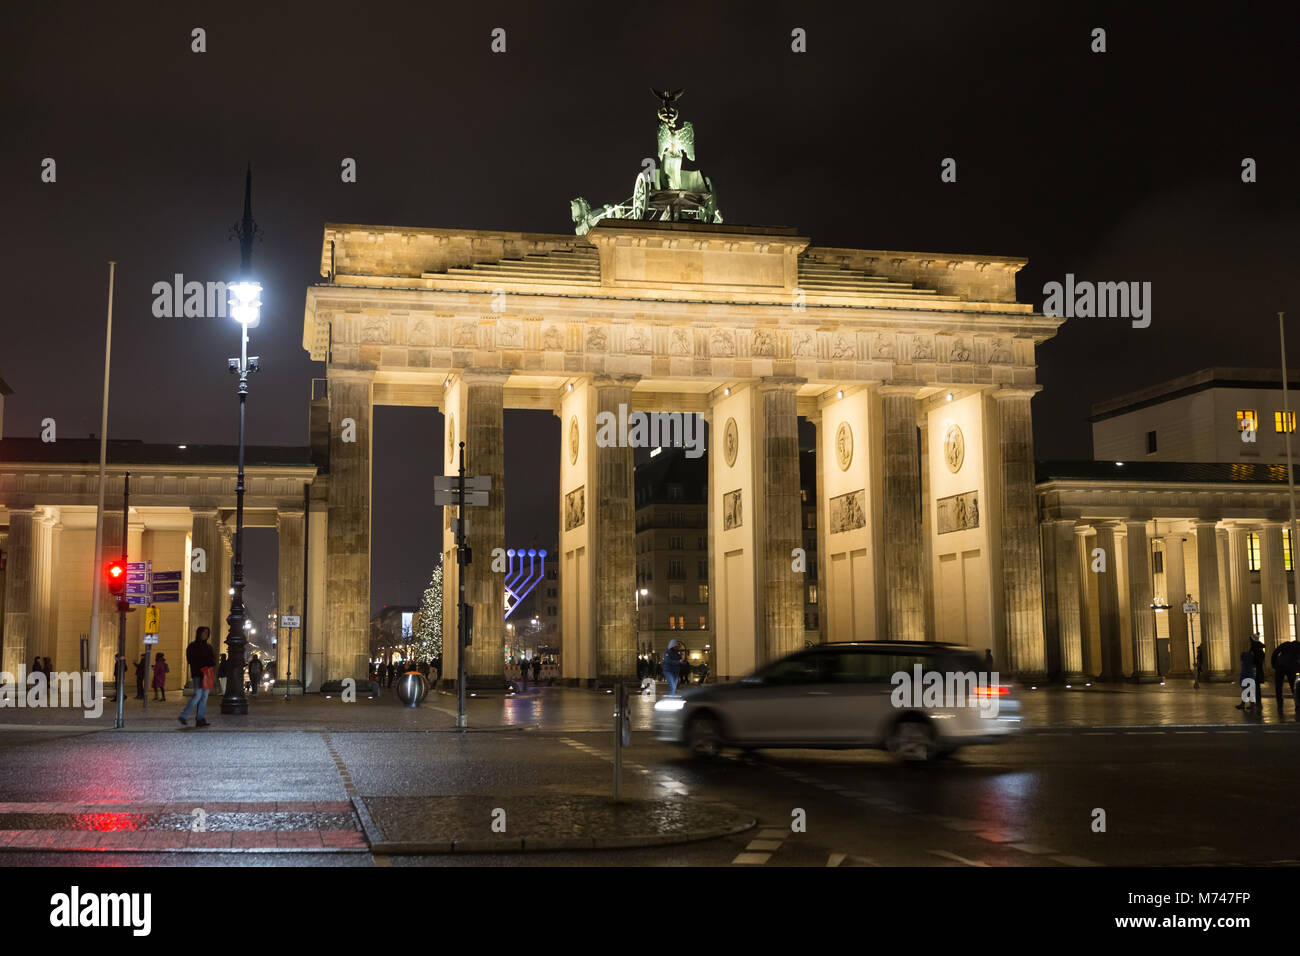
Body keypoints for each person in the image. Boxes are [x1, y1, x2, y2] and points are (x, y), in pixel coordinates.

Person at [179, 626, 217, 727]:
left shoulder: (209, 647)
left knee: (204, 697)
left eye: (207, 633)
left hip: (207, 674)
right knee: (198, 695)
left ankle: (200, 719)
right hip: (198, 675)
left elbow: (213, 660)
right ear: (199, 633)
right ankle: (184, 715)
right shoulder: (192, 646)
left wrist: (208, 663)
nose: (205, 635)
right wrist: (205, 663)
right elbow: (191, 660)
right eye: (203, 633)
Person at [1272, 640, 1300, 715]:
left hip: (1280, 666)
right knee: (1293, 687)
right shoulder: (1298, 647)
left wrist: (1273, 664)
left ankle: (1280, 706)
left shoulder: (1285, 644)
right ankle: (1297, 704)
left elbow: (1275, 652)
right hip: (1291, 668)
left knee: (1278, 687)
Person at [1250, 635, 1267, 701]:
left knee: (1254, 686)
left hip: (1255, 670)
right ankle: (1257, 700)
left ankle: (1255, 701)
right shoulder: (1260, 651)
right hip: (1258, 670)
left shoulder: (1255, 650)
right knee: (1256, 686)